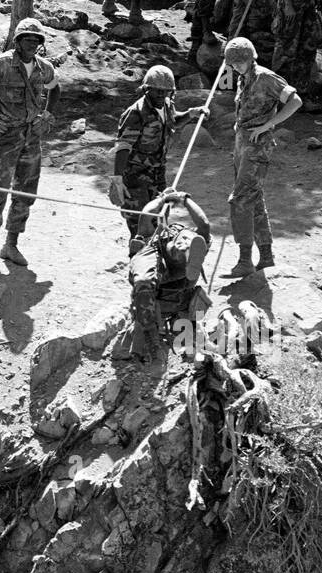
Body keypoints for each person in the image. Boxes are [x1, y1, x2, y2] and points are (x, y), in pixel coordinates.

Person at [0, 18, 59, 270]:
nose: (32, 44)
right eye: (27, 39)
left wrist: (46, 116)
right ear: (17, 41)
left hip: (31, 137)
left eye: (37, 40)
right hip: (6, 136)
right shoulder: (0, 64)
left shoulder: (43, 67)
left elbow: (55, 88)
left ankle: (11, 245)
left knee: (25, 192)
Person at [223, 36, 302, 277]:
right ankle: (266, 256)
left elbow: (295, 101)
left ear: (250, 58)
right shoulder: (242, 78)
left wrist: (269, 124)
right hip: (242, 144)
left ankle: (245, 259)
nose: (236, 66)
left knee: (241, 199)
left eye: (240, 62)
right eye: (233, 63)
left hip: (257, 146)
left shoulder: (266, 77)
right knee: (254, 198)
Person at [110, 65, 209, 255]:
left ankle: (158, 263)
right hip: (135, 177)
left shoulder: (166, 105)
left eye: (165, 91)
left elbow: (172, 121)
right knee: (139, 224)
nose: (160, 94)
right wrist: (117, 179)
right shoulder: (136, 112)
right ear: (147, 89)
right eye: (156, 90)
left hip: (157, 175)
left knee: (160, 219)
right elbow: (123, 147)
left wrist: (191, 114)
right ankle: (138, 267)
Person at [126, 190, 213, 360]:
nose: (185, 241)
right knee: (145, 276)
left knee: (190, 245)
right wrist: (174, 199)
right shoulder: (158, 241)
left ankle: (153, 335)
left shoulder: (158, 241)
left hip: (169, 303)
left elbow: (204, 224)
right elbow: (204, 223)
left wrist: (173, 198)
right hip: (168, 302)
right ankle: (150, 332)